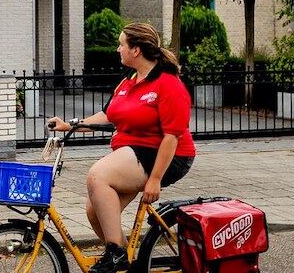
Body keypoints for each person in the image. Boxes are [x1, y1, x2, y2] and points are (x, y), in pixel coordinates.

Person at [47, 22, 195, 273]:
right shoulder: (128, 80)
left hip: (167, 154)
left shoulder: (168, 84)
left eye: (121, 44)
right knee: (95, 210)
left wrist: (154, 180)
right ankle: (125, 262)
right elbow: (108, 115)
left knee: (98, 176)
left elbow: (172, 136)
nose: (117, 49)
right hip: (133, 150)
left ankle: (116, 255)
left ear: (135, 50)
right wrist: (68, 126)